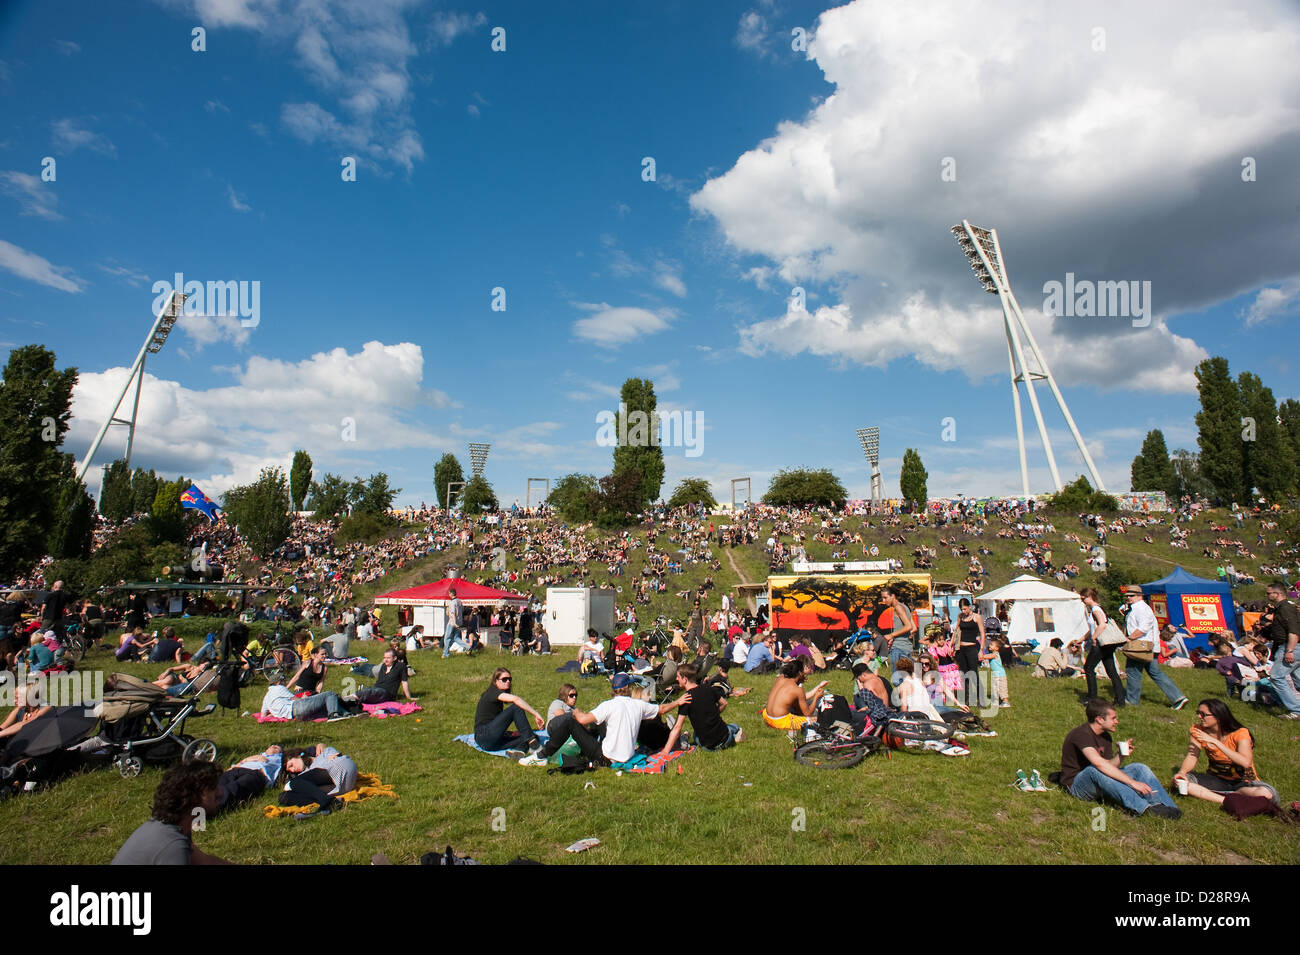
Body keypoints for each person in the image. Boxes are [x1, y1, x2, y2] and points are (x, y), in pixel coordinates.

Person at [519, 672, 687, 766]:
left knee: (571, 722)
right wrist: (678, 701)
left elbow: (583, 720)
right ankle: (546, 754)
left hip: (605, 757)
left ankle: (541, 756)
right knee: (601, 723)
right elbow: (662, 709)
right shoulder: (638, 705)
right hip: (627, 756)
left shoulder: (608, 705)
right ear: (627, 688)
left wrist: (576, 712)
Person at [1059, 698, 1181, 819]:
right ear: (1100, 720)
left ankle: (1165, 806)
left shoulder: (1105, 736)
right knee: (1094, 769)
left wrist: (1121, 756)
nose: (1117, 721)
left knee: (1139, 768)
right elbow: (1099, 764)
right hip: (1076, 785)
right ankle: (1145, 809)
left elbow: (1109, 766)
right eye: (1113, 718)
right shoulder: (1081, 734)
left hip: (1098, 778)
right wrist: (1132, 783)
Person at [112, 761, 232, 864]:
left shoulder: (172, 828)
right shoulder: (173, 846)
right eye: (212, 789)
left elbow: (205, 862)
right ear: (192, 797)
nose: (220, 792)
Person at [1173, 699, 1279, 806]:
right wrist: (1182, 772)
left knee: (1267, 794)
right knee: (1181, 783)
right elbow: (1192, 756)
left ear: (1218, 716)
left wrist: (1216, 743)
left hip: (1244, 781)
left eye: (1203, 714)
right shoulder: (1198, 730)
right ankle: (1226, 800)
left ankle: (1229, 795)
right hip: (1216, 780)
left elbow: (1246, 762)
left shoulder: (1240, 733)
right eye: (1198, 713)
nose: (1199, 717)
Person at [1119, 585, 1188, 710]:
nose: (1128, 597)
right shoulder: (1138, 608)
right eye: (1127, 596)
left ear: (1140, 596)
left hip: (1141, 647)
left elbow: (1143, 628)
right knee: (1155, 672)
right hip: (1149, 647)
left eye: (1132, 595)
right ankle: (1178, 698)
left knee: (1132, 672)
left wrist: (1130, 638)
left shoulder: (1141, 609)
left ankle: (1131, 701)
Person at [659, 663, 745, 754]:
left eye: (678, 676)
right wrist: (714, 715)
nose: (676, 679)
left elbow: (677, 727)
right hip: (726, 738)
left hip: (709, 747)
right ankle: (735, 732)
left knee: (696, 735)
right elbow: (724, 703)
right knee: (731, 726)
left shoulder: (686, 699)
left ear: (685, 679)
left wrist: (665, 750)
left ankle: (734, 732)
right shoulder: (708, 688)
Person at [474, 667, 544, 756]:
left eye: (509, 679)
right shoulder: (492, 692)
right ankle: (534, 746)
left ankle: (519, 751)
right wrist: (536, 714)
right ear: (496, 681)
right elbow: (516, 699)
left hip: (491, 743)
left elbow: (495, 722)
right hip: (484, 736)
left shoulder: (497, 697)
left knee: (530, 736)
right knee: (516, 707)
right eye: (504, 679)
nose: (508, 681)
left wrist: (509, 733)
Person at [280, 744, 359, 818]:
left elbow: (335, 756)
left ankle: (326, 802)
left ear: (297, 755)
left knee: (293, 782)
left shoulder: (324, 753)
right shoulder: (305, 775)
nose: (293, 769)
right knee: (284, 797)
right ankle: (332, 803)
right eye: (290, 770)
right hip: (343, 786)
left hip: (342, 767)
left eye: (291, 765)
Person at [1080, 587, 1125, 706]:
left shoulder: (1095, 609)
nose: (1082, 601)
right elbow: (1093, 628)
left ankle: (1092, 697)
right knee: (1112, 671)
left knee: (1088, 668)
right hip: (1108, 644)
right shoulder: (1099, 608)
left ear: (1089, 597)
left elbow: (1102, 625)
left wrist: (1094, 638)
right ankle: (1120, 700)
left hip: (1101, 644)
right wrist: (1082, 639)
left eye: (1083, 598)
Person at [760, 658, 827, 733]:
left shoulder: (780, 677)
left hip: (767, 715)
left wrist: (799, 681)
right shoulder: (797, 689)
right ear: (799, 673)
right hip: (780, 721)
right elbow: (808, 714)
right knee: (817, 719)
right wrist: (816, 697)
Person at [1264, 580, 1300, 719]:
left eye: (1269, 593)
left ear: (1277, 594)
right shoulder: (1283, 608)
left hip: (1290, 646)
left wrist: (1289, 650)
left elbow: (1293, 631)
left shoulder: (1285, 608)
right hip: (1291, 646)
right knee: (1298, 679)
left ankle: (1296, 711)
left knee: (1276, 676)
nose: (1267, 595)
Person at [215, 744, 283, 815]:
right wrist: (246, 760)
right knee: (219, 783)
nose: (272, 747)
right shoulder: (258, 755)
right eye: (271, 746)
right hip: (237, 769)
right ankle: (206, 799)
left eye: (276, 748)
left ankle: (215, 806)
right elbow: (232, 768)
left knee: (235, 788)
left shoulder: (279, 758)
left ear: (280, 752)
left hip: (255, 773)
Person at [261, 678, 351, 721]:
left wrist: (273, 714)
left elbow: (262, 715)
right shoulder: (279, 688)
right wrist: (304, 698)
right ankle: (333, 715)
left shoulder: (266, 697)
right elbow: (296, 700)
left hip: (295, 716)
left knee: (326, 704)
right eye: (284, 681)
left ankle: (346, 714)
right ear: (278, 683)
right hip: (297, 707)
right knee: (330, 694)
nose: (285, 683)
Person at [880, 587, 916, 686]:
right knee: (907, 678)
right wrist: (898, 636)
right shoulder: (905, 607)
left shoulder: (898, 608)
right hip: (907, 647)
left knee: (897, 680)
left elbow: (908, 626)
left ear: (893, 596)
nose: (884, 601)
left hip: (899, 648)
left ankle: (903, 699)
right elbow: (914, 628)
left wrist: (891, 635)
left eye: (885, 597)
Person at [953, 598, 985, 704]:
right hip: (961, 648)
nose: (963, 611)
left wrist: (981, 650)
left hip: (972, 647)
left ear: (969, 607)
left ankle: (981, 698)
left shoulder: (977, 617)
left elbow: (982, 634)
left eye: (965, 609)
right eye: (962, 609)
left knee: (973, 673)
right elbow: (956, 631)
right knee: (964, 674)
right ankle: (967, 699)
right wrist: (951, 645)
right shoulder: (960, 617)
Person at [442, 587, 466, 658]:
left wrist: (454, 623)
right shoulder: (459, 601)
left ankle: (446, 654)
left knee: (447, 638)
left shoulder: (452, 602)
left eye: (449, 593)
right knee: (456, 638)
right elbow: (462, 610)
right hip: (459, 622)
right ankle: (467, 646)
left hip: (452, 623)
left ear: (451, 594)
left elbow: (453, 613)